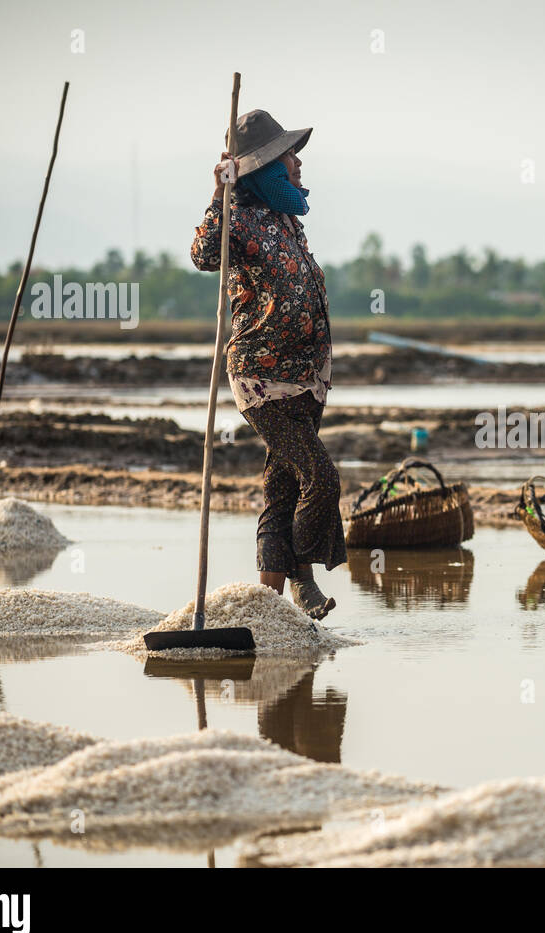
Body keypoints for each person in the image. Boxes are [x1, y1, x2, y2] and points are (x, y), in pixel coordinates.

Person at [191, 109, 346, 619]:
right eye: (287, 157)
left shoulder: (287, 219)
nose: (298, 164)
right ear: (265, 169)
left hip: (306, 380)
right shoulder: (243, 219)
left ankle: (267, 616)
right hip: (263, 380)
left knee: (281, 496)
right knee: (321, 479)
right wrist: (219, 196)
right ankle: (301, 572)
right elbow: (204, 255)